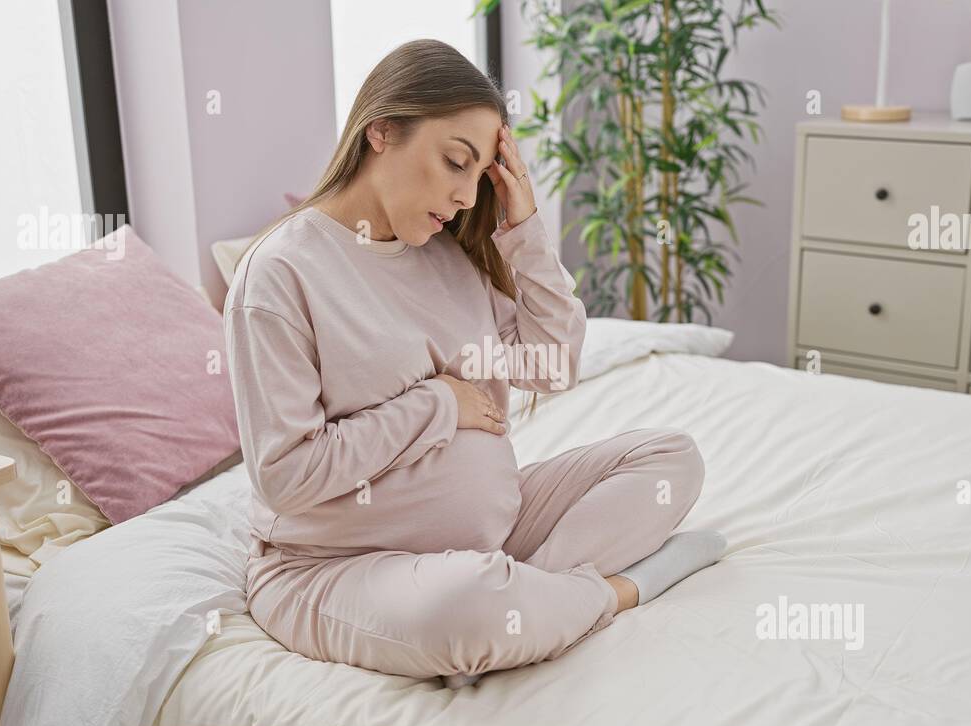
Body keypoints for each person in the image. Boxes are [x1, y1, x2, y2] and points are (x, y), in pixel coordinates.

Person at [224, 39, 725, 690]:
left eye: (480, 173)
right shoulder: (281, 276)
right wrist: (437, 405)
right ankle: (612, 592)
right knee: (461, 606)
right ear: (381, 131)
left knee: (671, 460)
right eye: (454, 162)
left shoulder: (442, 255)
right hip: (333, 565)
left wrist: (525, 228)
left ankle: (528, 598)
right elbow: (286, 475)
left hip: (496, 529)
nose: (465, 196)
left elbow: (552, 365)